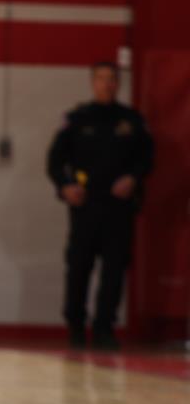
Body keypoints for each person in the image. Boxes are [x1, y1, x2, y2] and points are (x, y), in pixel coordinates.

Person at [47, 62, 153, 350]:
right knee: (79, 267)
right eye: (101, 79)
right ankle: (76, 327)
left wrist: (133, 178)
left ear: (118, 84)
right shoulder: (77, 119)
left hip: (118, 207)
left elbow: (146, 159)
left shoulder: (131, 121)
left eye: (112, 79)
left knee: (115, 269)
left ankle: (104, 328)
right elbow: (55, 161)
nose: (107, 84)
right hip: (85, 206)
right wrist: (65, 186)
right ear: (92, 82)